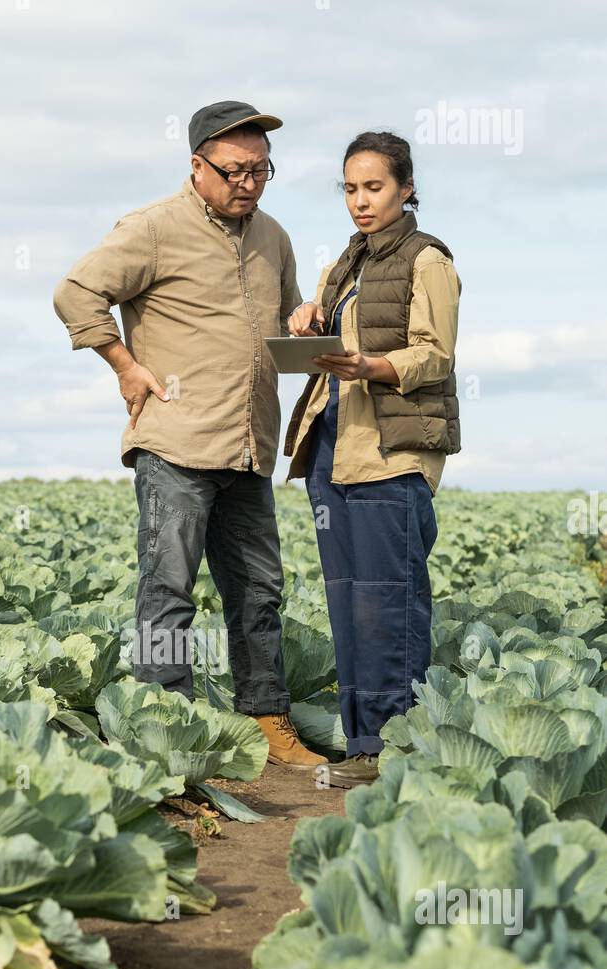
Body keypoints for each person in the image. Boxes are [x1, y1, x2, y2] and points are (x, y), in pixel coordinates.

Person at [53, 100, 325, 769]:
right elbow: (75, 293)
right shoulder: (152, 228)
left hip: (248, 442)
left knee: (260, 590)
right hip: (176, 440)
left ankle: (267, 720)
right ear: (197, 166)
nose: (249, 183)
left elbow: (286, 316)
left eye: (261, 170)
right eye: (235, 170)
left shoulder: (275, 237)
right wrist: (124, 366)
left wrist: (305, 319)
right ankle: (162, 730)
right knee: (168, 590)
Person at [286, 131, 461, 788]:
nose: (360, 201)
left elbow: (435, 355)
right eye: (351, 189)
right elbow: (331, 325)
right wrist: (309, 316)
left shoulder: (428, 260)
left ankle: (397, 749)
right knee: (349, 600)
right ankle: (363, 745)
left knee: (390, 601)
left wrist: (374, 365)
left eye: (375, 187)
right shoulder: (347, 263)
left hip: (392, 448)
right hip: (335, 443)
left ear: (406, 188)